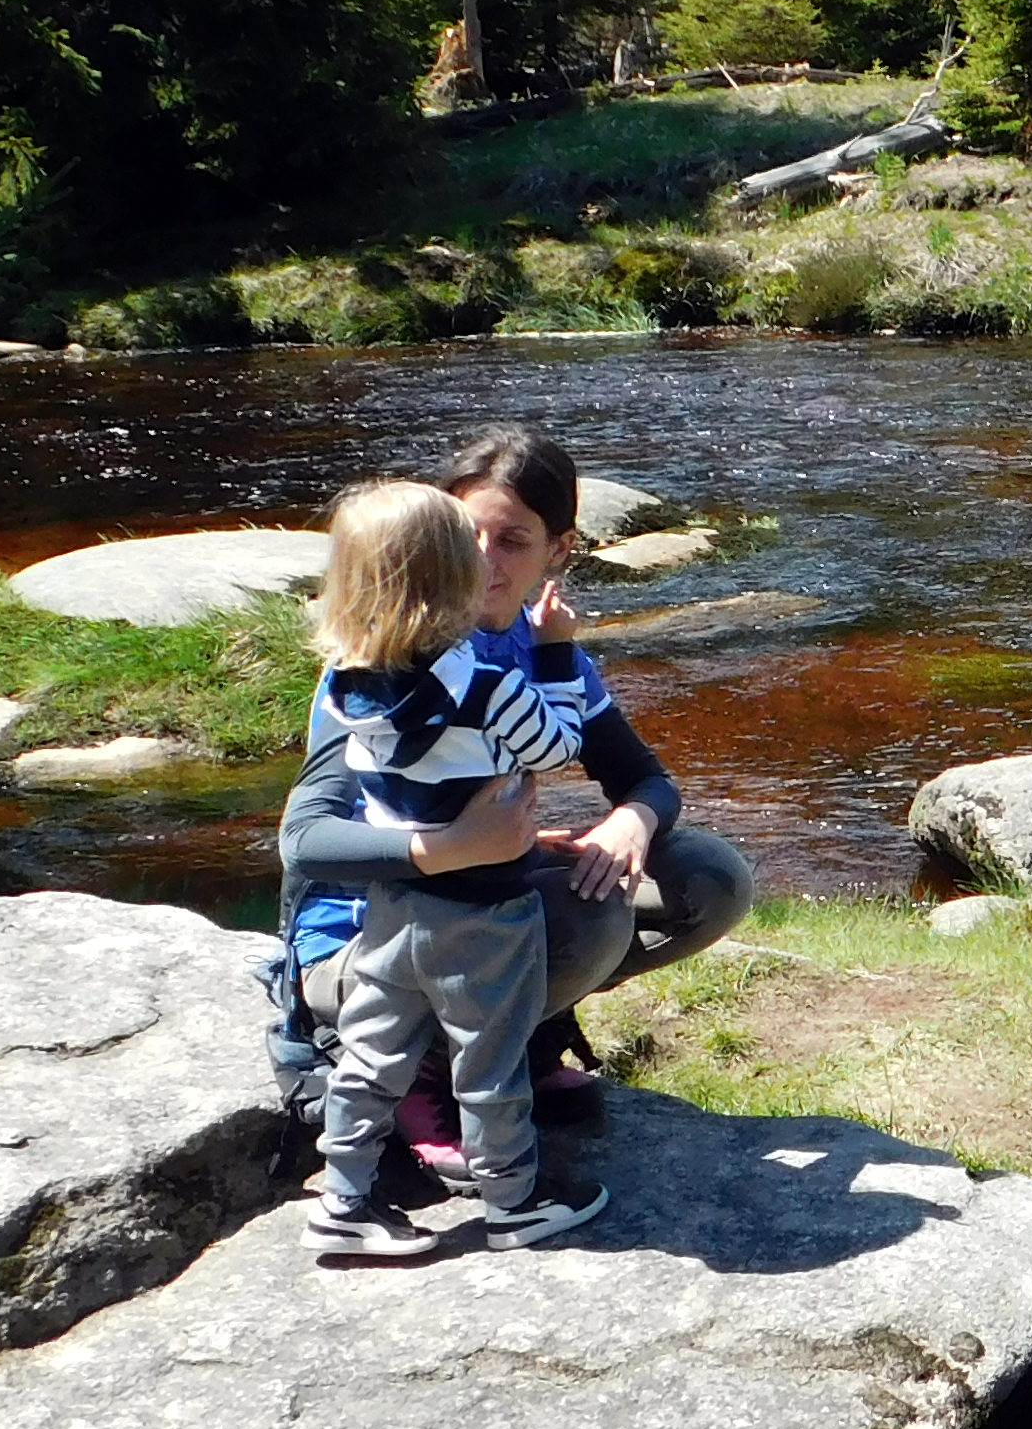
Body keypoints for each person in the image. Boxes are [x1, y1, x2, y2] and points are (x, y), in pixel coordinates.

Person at [282, 478, 610, 1263]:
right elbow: (559, 745)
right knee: (490, 1062)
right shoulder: (487, 687)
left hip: (391, 908)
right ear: (455, 578)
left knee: (371, 1057)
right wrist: (556, 654)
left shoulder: (352, 684)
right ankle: (513, 1201)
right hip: (482, 913)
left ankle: (343, 1201)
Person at [417, 423, 754, 1141]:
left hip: (485, 882)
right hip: (384, 923)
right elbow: (312, 839)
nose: (483, 562)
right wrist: (453, 845)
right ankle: (421, 1069)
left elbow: (644, 778)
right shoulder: (398, 647)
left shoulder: (544, 645)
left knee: (712, 877)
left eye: (512, 541)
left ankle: (523, 1035)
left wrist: (629, 823)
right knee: (595, 916)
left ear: (559, 550)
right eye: (468, 535)